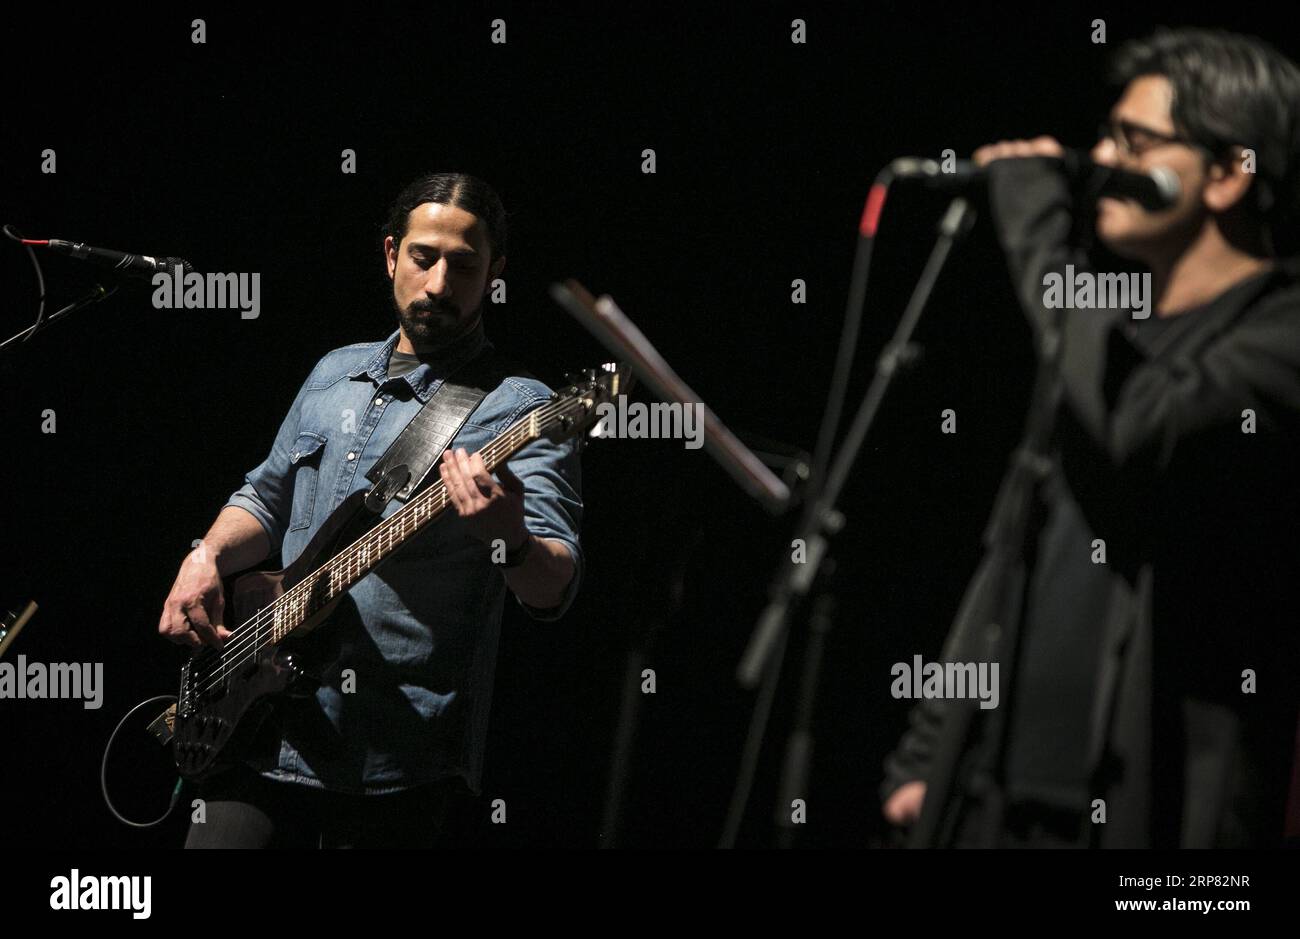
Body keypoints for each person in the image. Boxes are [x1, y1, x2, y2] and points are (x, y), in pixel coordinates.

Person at [881, 27, 1300, 848]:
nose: (1102, 157)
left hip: (1157, 813)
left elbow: (1138, 429)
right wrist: (927, 752)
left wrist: (1036, 230)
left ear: (1226, 174)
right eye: (1106, 134)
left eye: (1134, 140)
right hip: (993, 795)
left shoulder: (1282, 333)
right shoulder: (1110, 331)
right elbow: (1016, 548)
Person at [158, 172, 583, 848]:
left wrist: (511, 539)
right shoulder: (333, 373)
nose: (440, 283)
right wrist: (205, 554)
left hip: (392, 767)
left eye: (465, 265)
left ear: (494, 274)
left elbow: (553, 586)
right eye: (424, 257)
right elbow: (264, 498)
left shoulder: (520, 406)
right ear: (391, 255)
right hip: (259, 727)